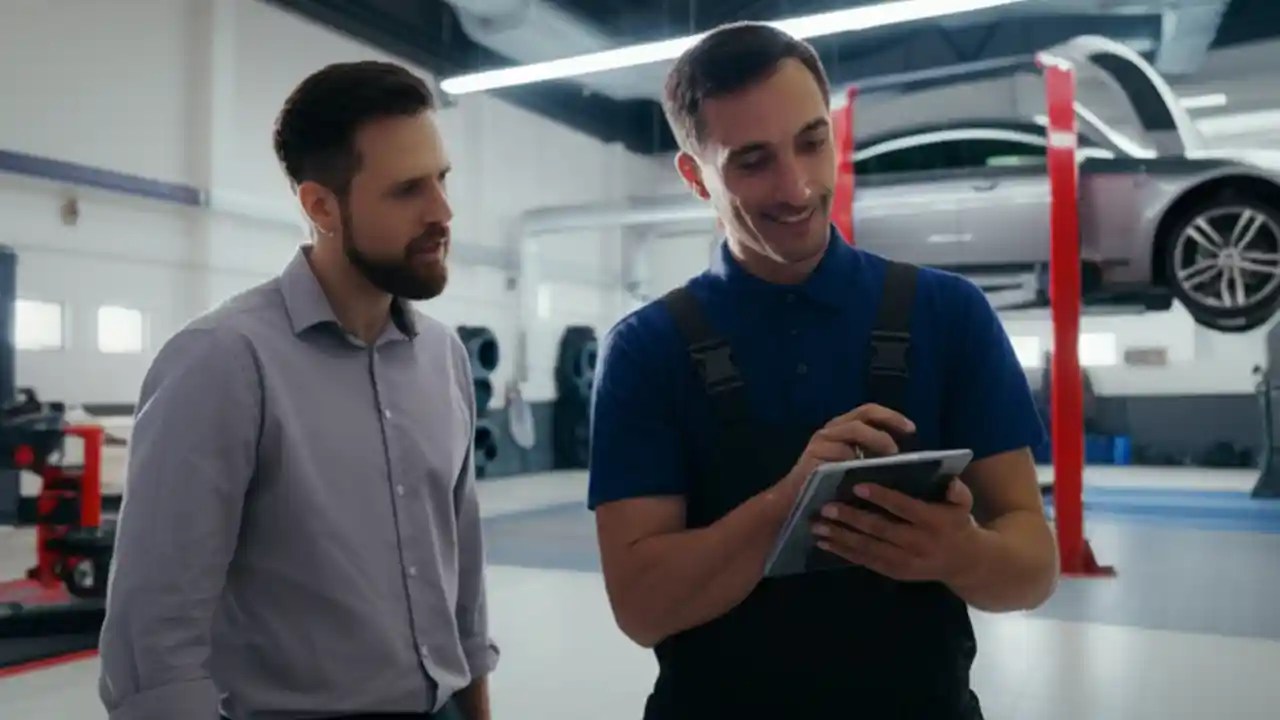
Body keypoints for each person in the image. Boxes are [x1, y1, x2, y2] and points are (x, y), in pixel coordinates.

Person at [588, 22, 1059, 719]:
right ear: (695, 176)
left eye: (811, 141)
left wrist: (956, 553)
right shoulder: (647, 350)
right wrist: (788, 504)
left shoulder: (948, 316)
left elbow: (1033, 566)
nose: (798, 186)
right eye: (752, 161)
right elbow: (643, 608)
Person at [98, 61, 498, 720]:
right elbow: (154, 641)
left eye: (441, 179)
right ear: (321, 206)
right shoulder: (222, 363)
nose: (442, 212)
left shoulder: (443, 358)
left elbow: (464, 577)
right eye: (406, 191)